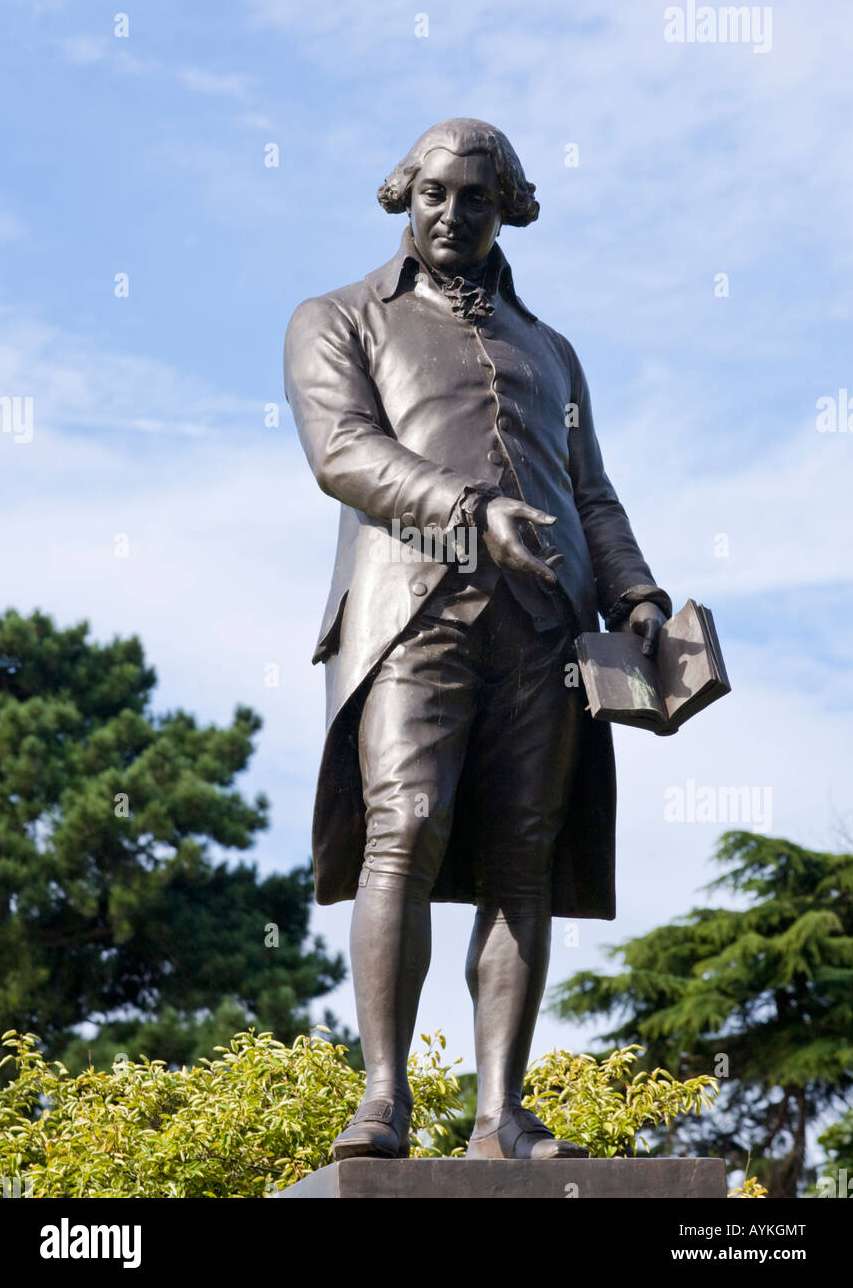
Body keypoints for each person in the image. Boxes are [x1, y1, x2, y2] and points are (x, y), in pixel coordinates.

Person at [283, 118, 671, 1160]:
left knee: (522, 864)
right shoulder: (337, 317)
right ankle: (383, 1100)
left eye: (478, 199)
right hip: (411, 615)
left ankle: (500, 1111)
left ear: (510, 209)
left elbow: (589, 494)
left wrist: (634, 594)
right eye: (436, 194)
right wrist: (466, 510)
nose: (453, 214)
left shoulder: (550, 350)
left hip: (547, 627)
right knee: (400, 835)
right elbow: (343, 453)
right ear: (405, 193)